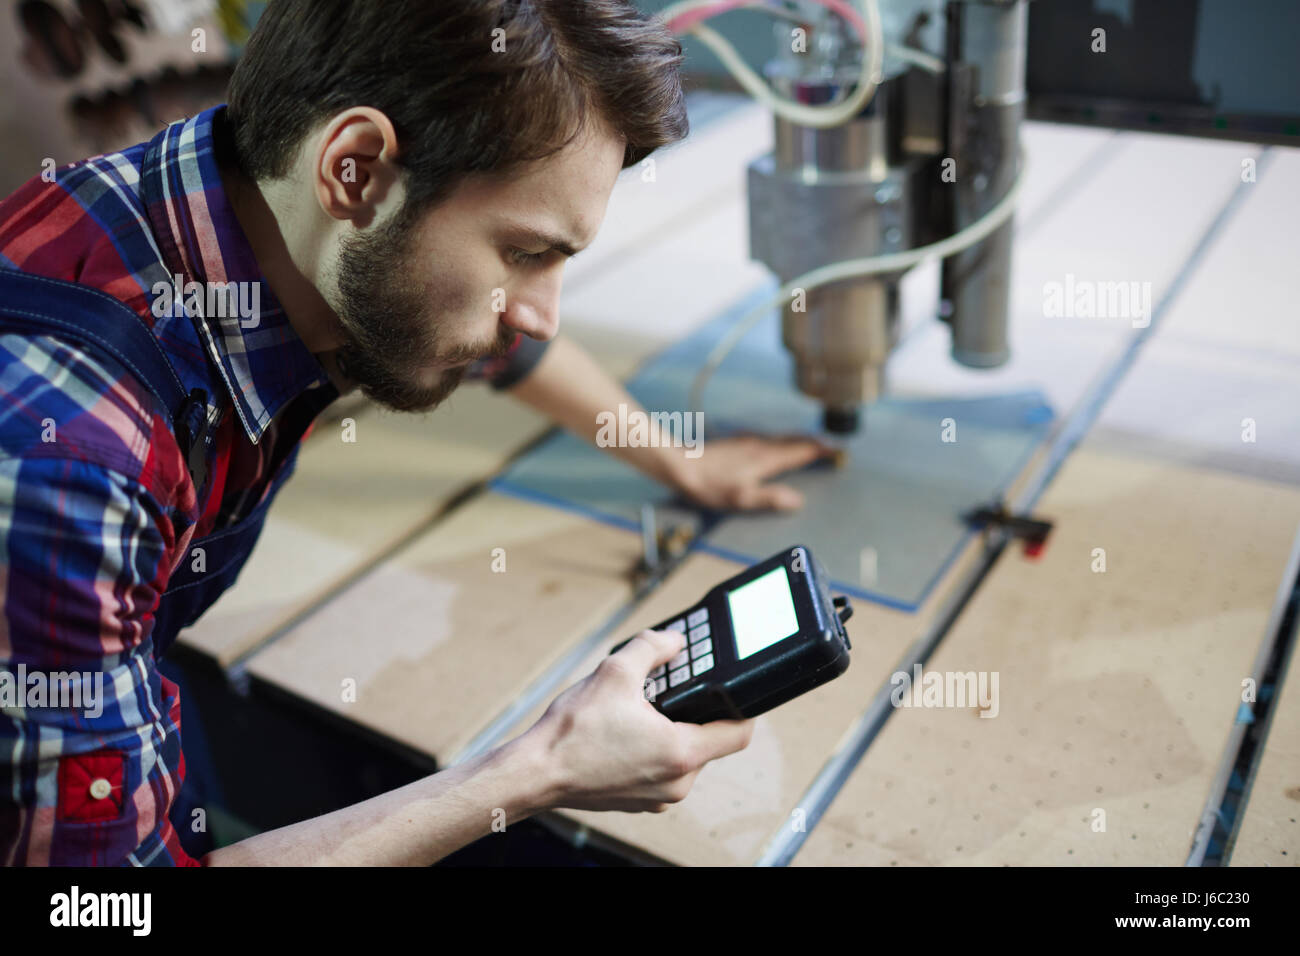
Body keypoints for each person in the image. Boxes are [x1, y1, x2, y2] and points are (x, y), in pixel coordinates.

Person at [0, 0, 831, 866]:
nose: (545, 317)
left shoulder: (224, 198)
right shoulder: (76, 470)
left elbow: (447, 314)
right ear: (353, 170)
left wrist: (676, 457)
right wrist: (536, 771)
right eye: (525, 253)